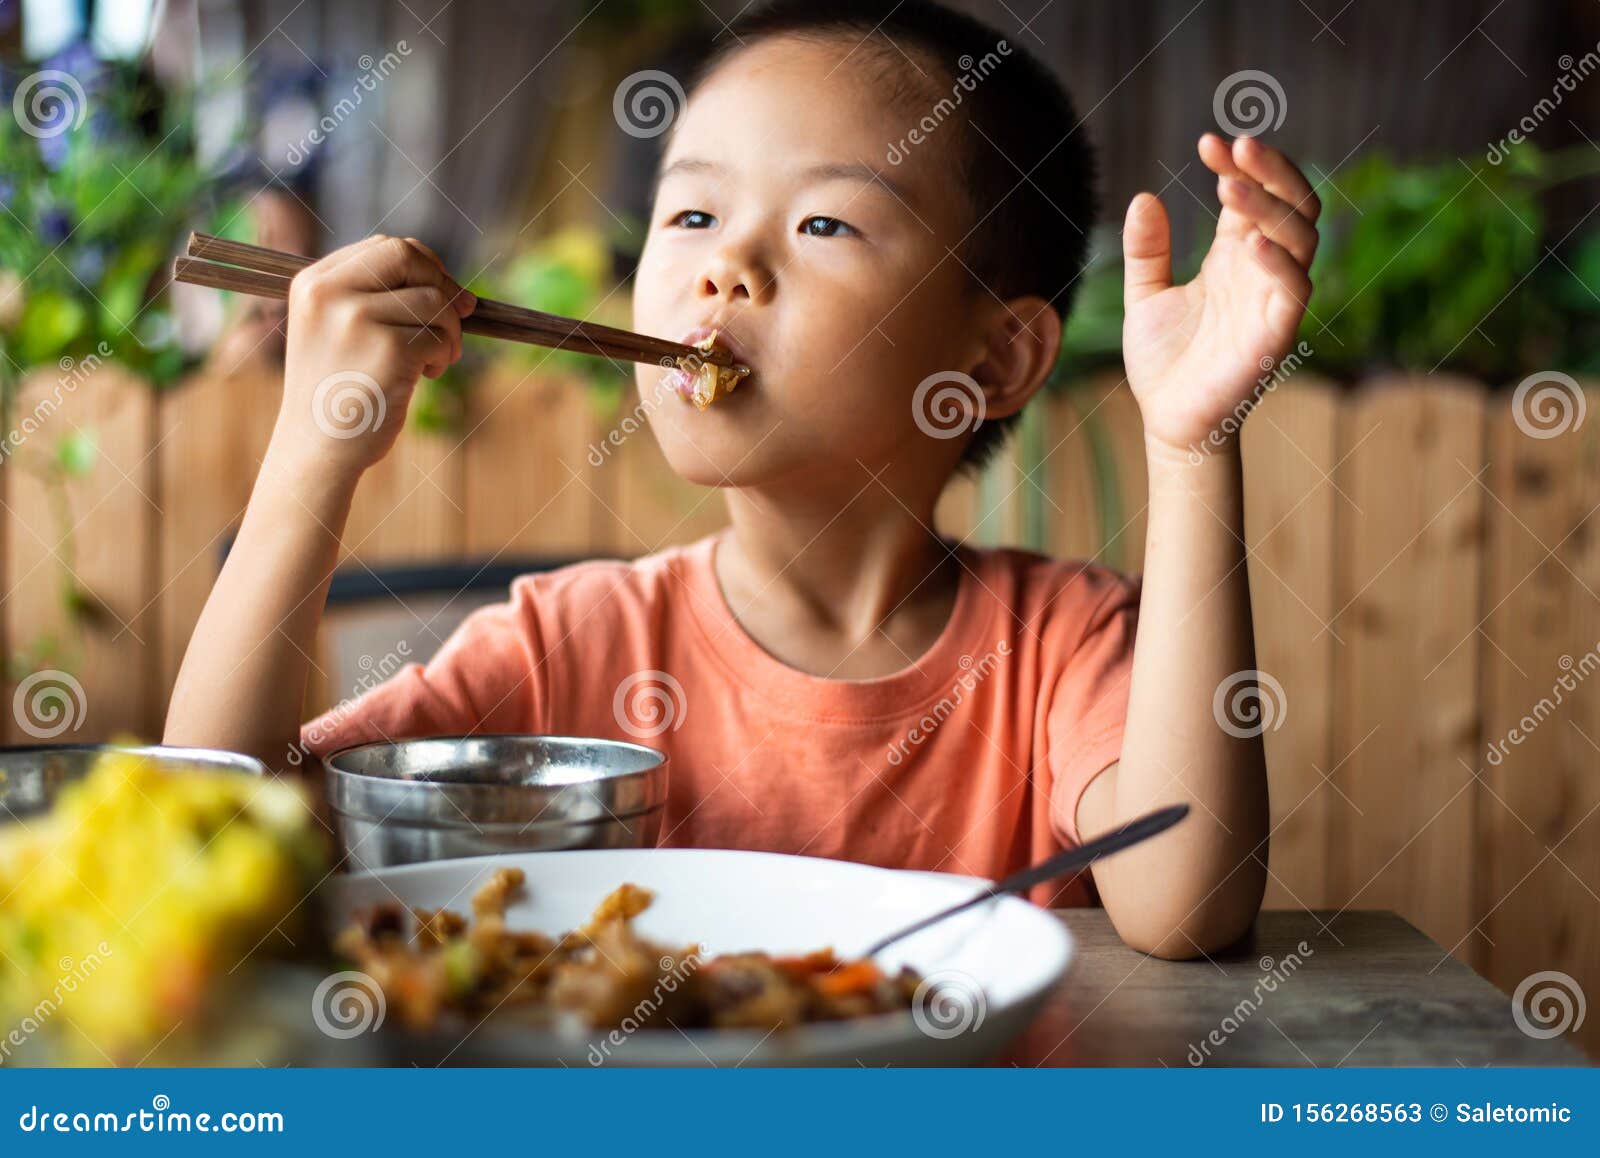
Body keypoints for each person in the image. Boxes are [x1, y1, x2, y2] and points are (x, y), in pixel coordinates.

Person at [166, 0, 1319, 958]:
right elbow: (216, 829)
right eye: (693, 212)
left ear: (994, 357)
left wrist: (1189, 444)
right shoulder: (568, 645)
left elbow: (1186, 907)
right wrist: (312, 450)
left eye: (822, 221)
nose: (724, 266)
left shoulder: (1064, 646)